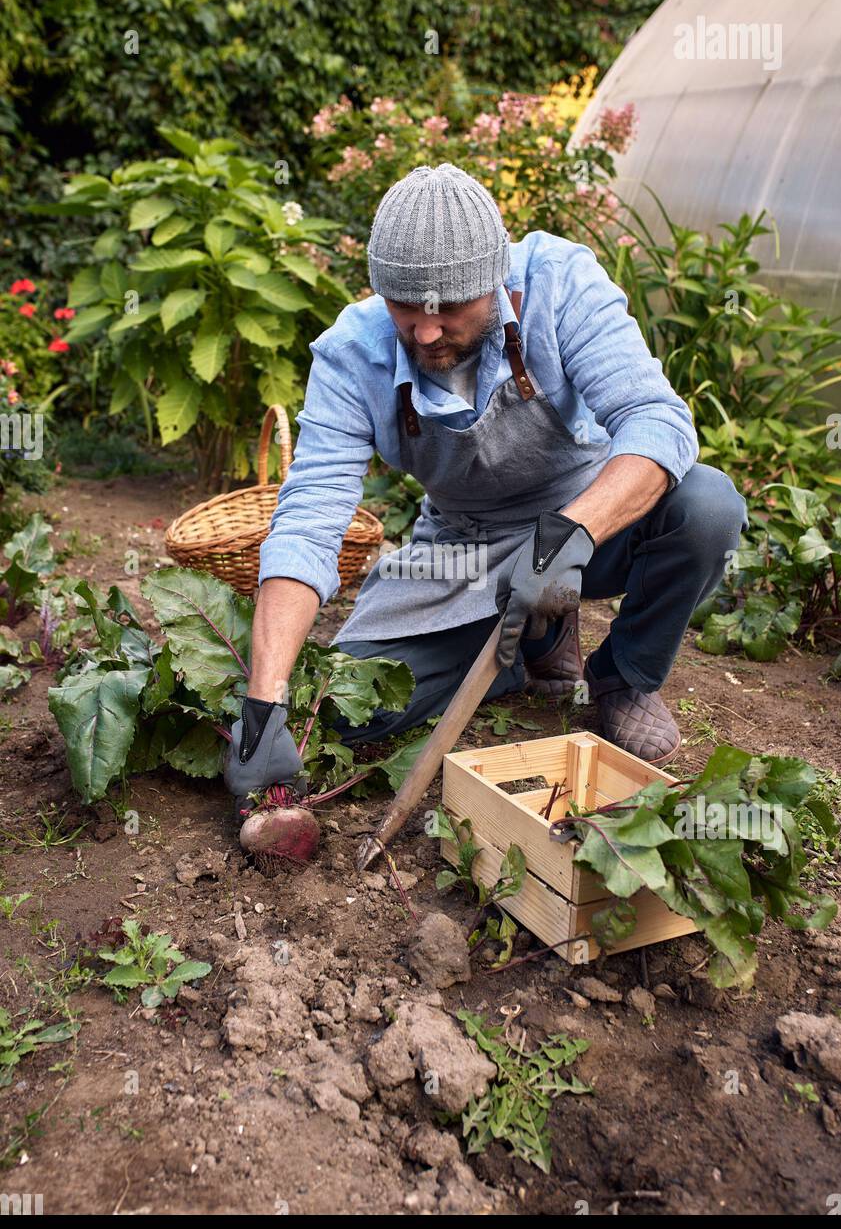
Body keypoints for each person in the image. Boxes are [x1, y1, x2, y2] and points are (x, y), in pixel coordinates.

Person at [224, 163, 747, 808]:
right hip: (463, 549)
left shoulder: (560, 285)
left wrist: (569, 537)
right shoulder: (351, 354)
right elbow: (308, 519)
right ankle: (531, 639)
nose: (424, 332)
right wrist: (263, 700)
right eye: (404, 308)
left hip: (592, 526)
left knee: (705, 506)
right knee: (352, 707)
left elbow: (657, 421)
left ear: (495, 283)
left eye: (448, 311)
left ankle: (621, 678)